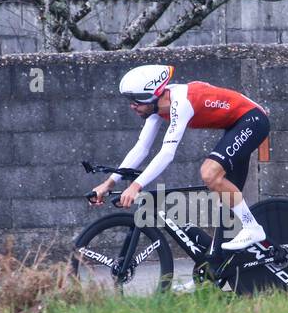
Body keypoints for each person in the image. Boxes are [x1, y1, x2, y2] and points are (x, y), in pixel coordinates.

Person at [89, 64, 270, 251]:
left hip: (252, 120)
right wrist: (109, 183)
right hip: (235, 125)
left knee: (210, 174)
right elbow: (141, 148)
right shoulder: (157, 108)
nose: (132, 106)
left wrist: (136, 186)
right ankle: (212, 271)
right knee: (224, 207)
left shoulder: (181, 102)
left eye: (136, 101)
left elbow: (167, 153)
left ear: (152, 95)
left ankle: (252, 227)